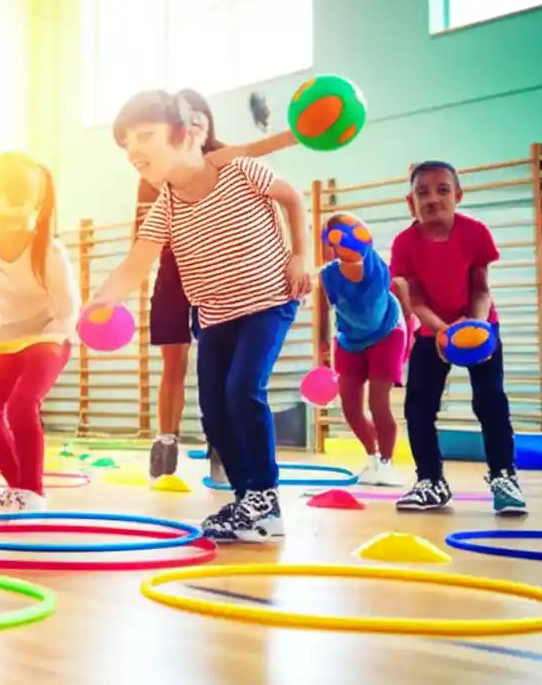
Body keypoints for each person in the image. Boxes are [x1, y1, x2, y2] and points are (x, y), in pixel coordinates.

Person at [90, 89, 311, 542]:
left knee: (244, 388)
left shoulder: (239, 168)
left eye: (145, 136)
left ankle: (266, 503)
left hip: (268, 299)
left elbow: (293, 199)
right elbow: (136, 263)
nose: (133, 149)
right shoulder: (165, 206)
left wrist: (300, 255)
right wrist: (99, 304)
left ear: (188, 133)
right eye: (126, 143)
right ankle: (246, 500)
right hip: (215, 315)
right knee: (213, 409)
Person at [133, 90, 296, 483]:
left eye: (201, 115)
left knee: (232, 379)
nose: (196, 122)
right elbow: (140, 240)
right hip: (175, 272)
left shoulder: (226, 159)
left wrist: (293, 256)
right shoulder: (155, 173)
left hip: (225, 277)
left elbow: (275, 183)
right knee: (178, 363)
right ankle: (166, 440)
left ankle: (226, 456)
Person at [390, 160, 525, 514]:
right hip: (433, 330)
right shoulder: (404, 243)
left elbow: (481, 288)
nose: (433, 198)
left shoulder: (475, 232)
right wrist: (442, 330)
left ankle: (504, 477)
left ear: (458, 195)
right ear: (410, 202)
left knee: (491, 400)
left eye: (443, 190)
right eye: (423, 192)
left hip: (479, 326)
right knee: (418, 406)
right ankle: (430, 481)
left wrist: (476, 328)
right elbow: (415, 299)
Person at [0, 152, 79, 512]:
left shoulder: (50, 251)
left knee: (22, 406)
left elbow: (66, 306)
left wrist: (62, 336)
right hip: (6, 339)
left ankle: (33, 490)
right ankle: (19, 489)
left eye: (19, 199)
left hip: (48, 336)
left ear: (37, 202)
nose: (8, 207)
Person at [319, 213, 407, 486]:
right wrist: (323, 346)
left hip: (386, 333)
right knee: (350, 407)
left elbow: (401, 287)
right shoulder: (327, 276)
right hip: (349, 339)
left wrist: (411, 334)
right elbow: (325, 310)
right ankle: (372, 458)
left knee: (378, 402)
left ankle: (387, 463)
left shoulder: (375, 265)